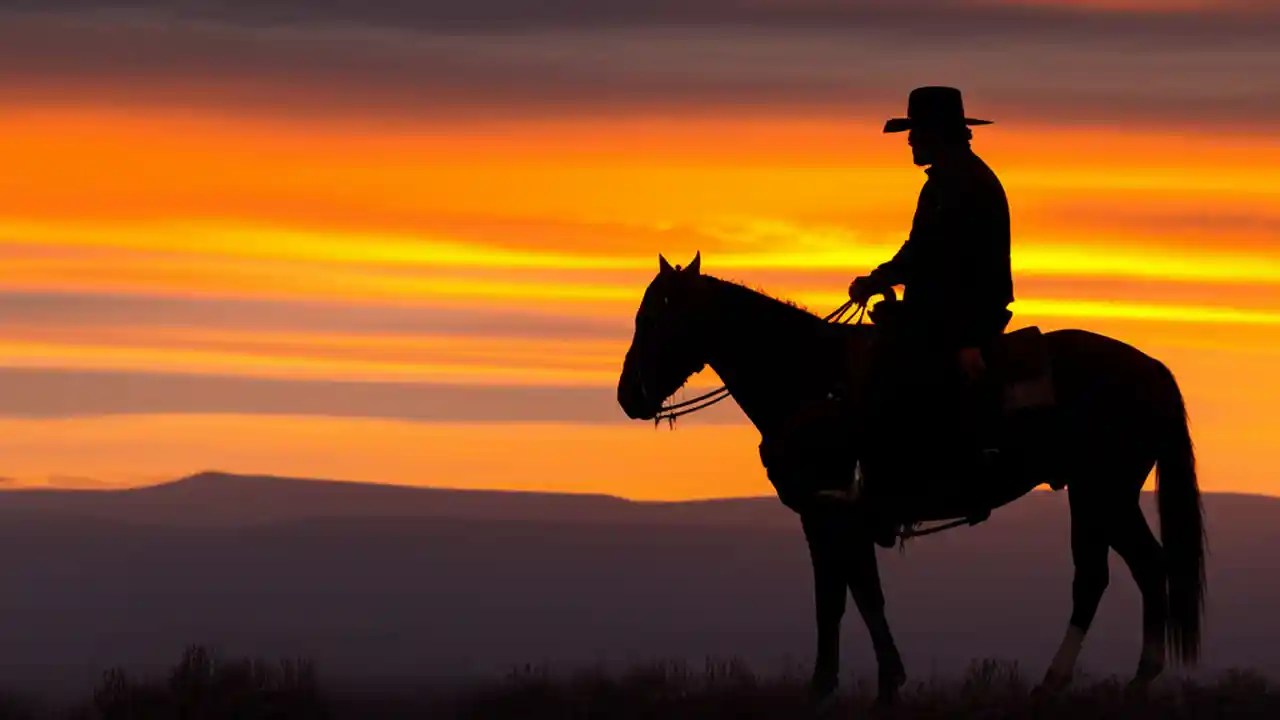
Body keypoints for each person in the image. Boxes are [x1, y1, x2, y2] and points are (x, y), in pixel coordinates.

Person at [848, 86, 1014, 545]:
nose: (909, 142)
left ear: (936, 133)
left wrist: (963, 334)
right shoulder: (944, 182)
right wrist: (879, 279)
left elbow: (942, 260)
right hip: (946, 306)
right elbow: (919, 251)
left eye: (915, 132)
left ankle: (929, 480)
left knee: (897, 376)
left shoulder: (965, 185)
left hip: (965, 312)